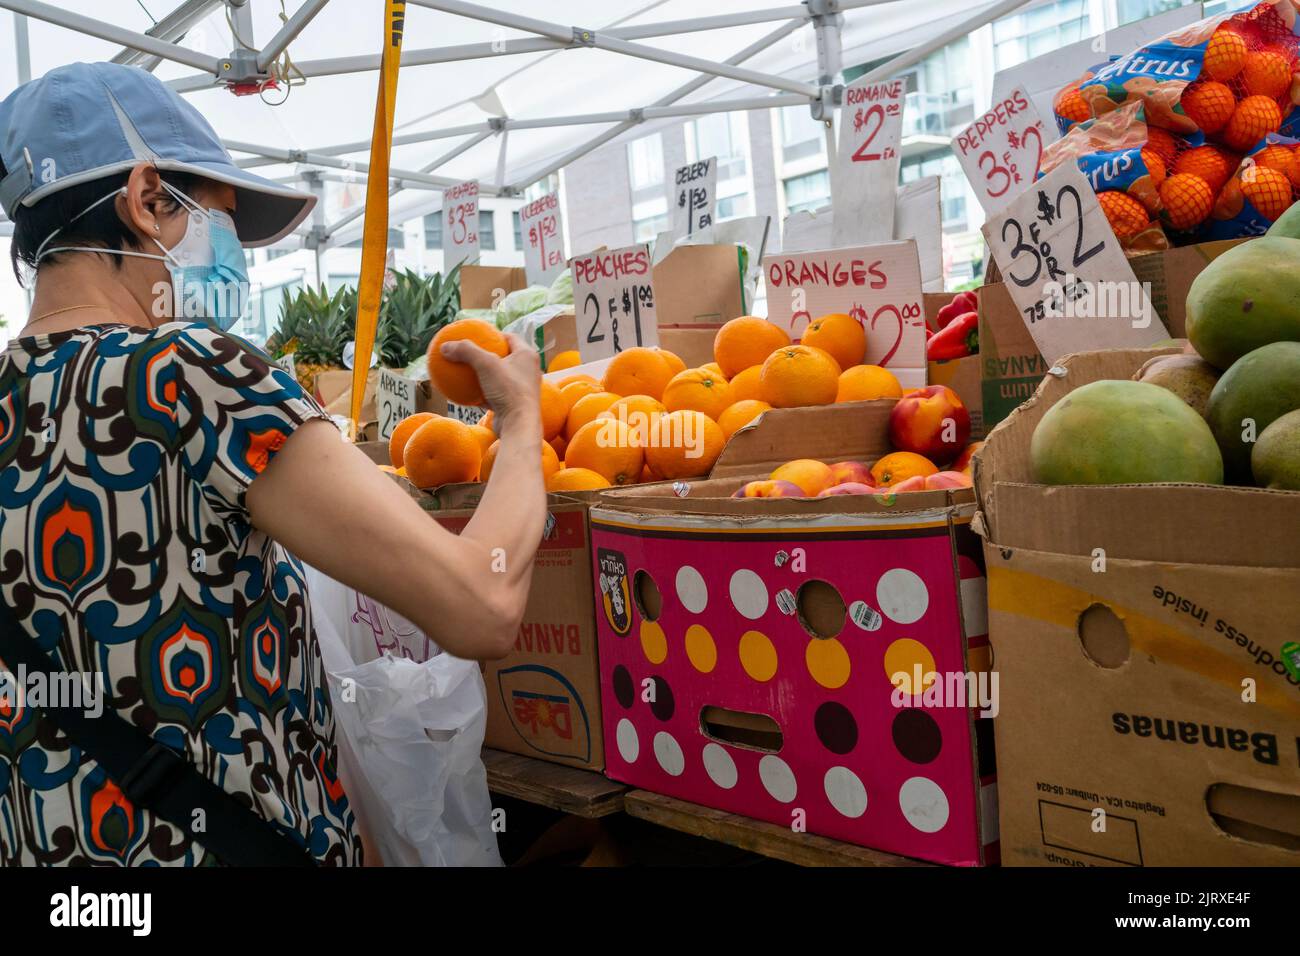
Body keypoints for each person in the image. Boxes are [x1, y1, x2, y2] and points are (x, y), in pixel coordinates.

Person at [0, 62, 545, 866]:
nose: (234, 261)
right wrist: (523, 422)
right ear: (148, 200)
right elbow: (482, 603)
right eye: (218, 220)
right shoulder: (187, 370)